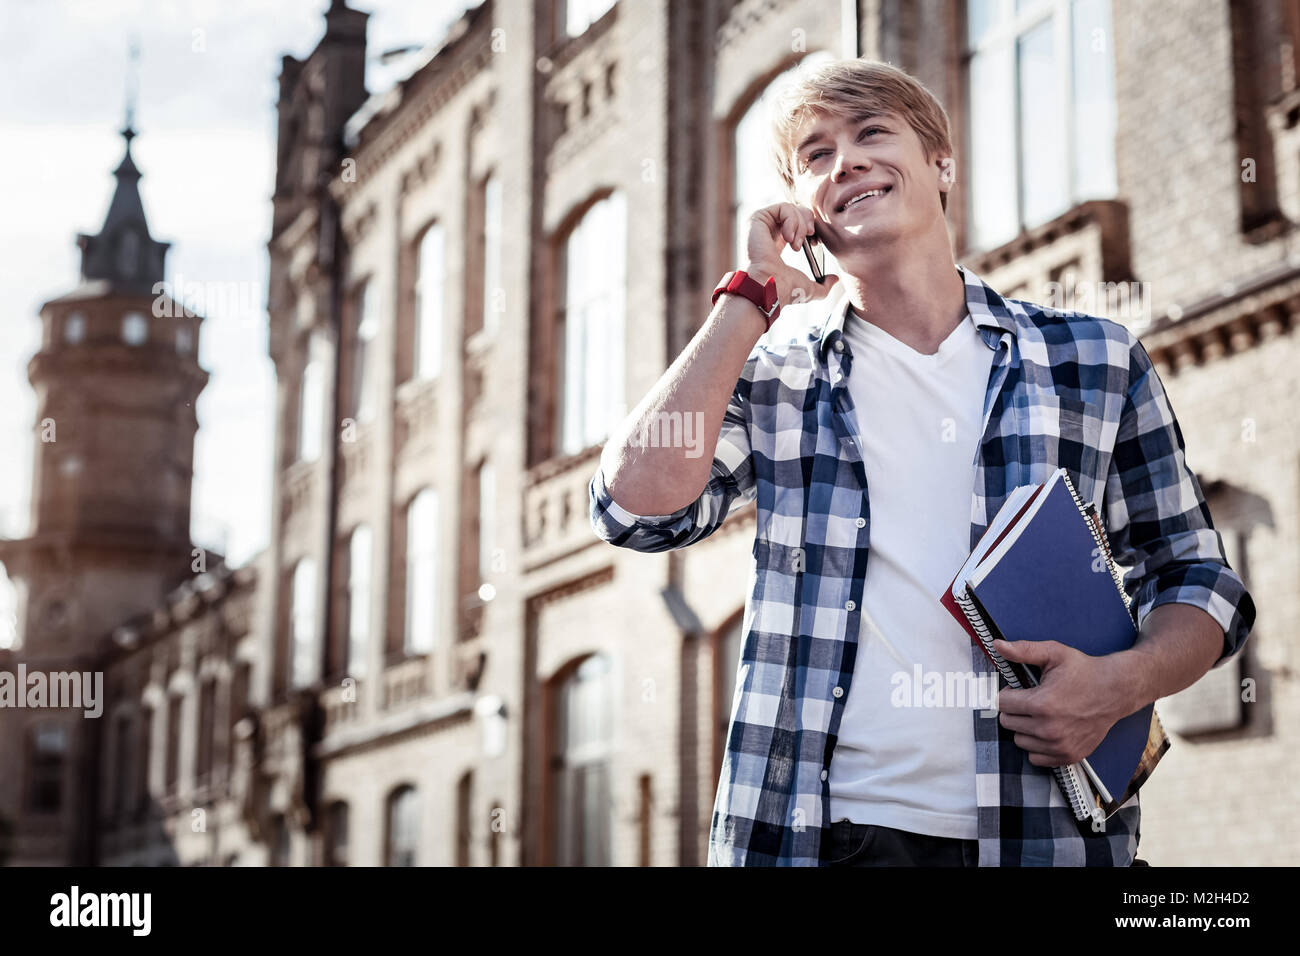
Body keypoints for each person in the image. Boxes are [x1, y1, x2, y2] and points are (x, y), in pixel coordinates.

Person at [588, 58, 1255, 866]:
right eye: (816, 154)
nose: (847, 162)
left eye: (872, 133)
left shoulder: (1092, 359)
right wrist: (750, 294)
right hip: (819, 842)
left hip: (1043, 840)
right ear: (803, 210)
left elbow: (1198, 580)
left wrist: (1121, 685)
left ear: (942, 164)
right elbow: (634, 508)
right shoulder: (775, 379)